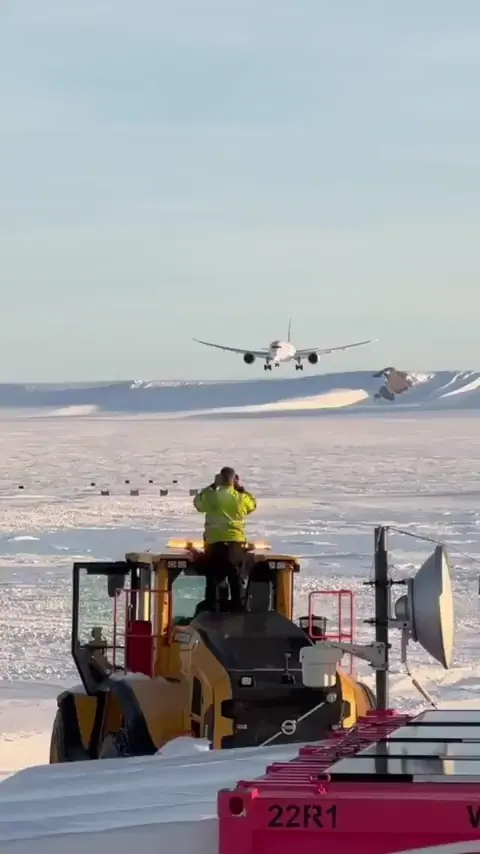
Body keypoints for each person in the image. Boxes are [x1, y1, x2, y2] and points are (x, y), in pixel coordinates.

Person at [193, 467, 257, 610]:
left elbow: (198, 503)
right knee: (236, 579)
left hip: (215, 544)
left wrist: (212, 486)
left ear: (220, 479)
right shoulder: (241, 498)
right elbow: (253, 505)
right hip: (236, 544)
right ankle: (238, 609)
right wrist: (240, 488)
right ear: (234, 480)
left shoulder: (212, 496)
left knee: (213, 578)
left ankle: (210, 608)